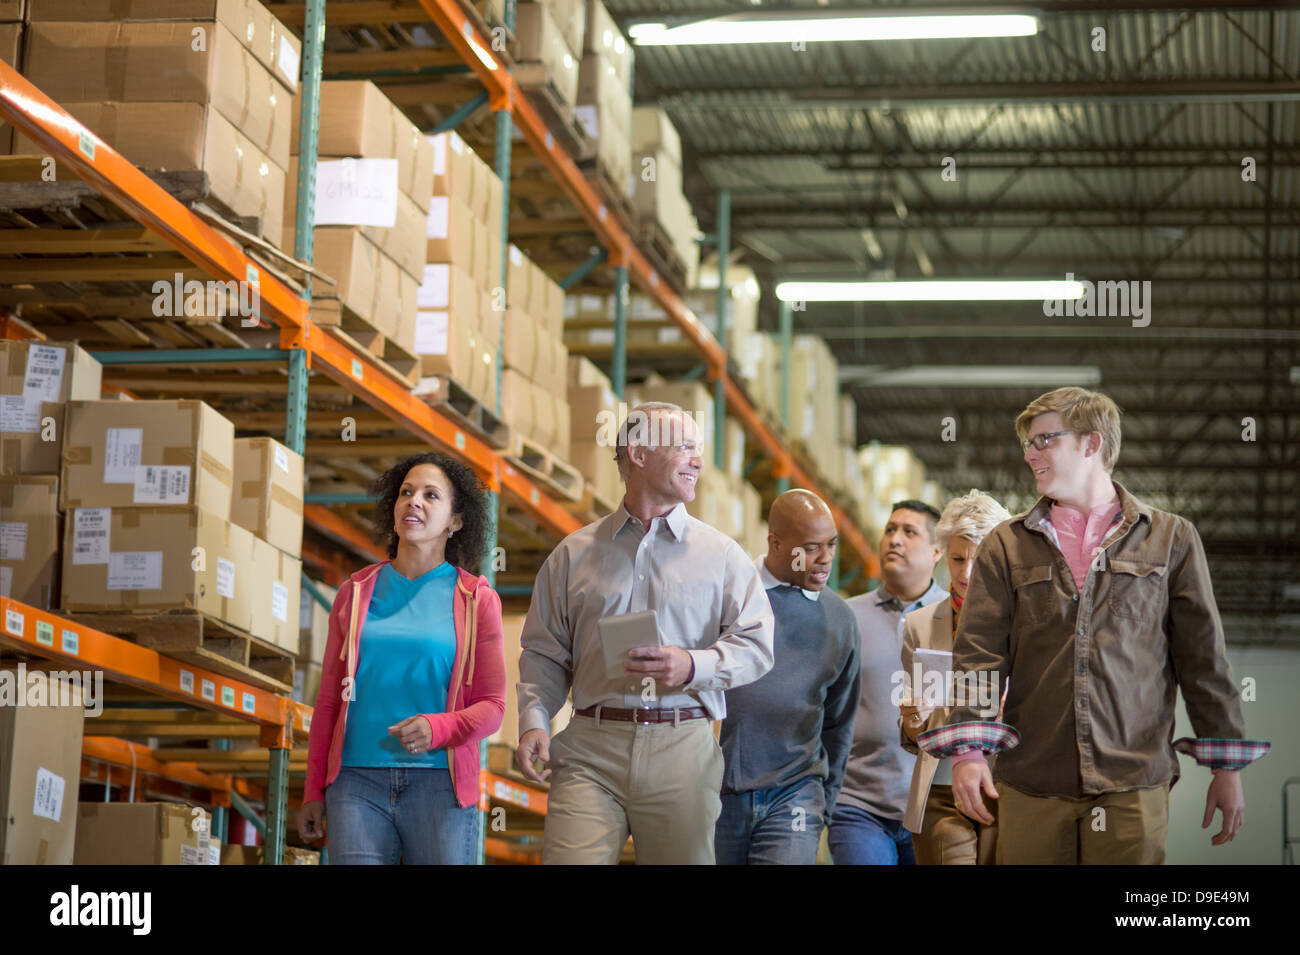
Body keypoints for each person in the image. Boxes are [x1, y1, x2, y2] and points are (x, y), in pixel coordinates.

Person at [924, 387, 1269, 864]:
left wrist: (1226, 768)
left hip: (1133, 783)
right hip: (1032, 782)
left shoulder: (1171, 539)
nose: (1029, 453)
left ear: (1091, 444)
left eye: (1044, 440)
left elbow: (1203, 659)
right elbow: (980, 654)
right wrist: (968, 752)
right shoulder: (1007, 545)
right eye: (1027, 442)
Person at [515, 401, 775, 864]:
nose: (698, 460)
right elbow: (544, 653)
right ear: (637, 453)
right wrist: (534, 720)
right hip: (590, 748)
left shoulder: (722, 556)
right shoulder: (572, 555)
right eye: (686, 447)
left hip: (683, 746)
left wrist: (692, 664)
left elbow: (757, 645)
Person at [298, 452, 506, 864]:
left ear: (456, 521)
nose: (414, 501)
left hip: (440, 786)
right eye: (406, 492)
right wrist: (313, 790)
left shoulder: (476, 600)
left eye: (431, 495)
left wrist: (440, 728)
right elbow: (328, 703)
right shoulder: (354, 593)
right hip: (355, 784)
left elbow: (494, 708)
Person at [714, 490, 861, 865]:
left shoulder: (840, 620)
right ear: (775, 543)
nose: (826, 559)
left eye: (831, 544)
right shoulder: (729, 595)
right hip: (716, 793)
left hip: (795, 795)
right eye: (811, 548)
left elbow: (839, 722)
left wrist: (821, 805)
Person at [830, 500, 947, 865]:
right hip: (857, 806)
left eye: (909, 532)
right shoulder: (846, 615)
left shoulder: (956, 618)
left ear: (937, 551)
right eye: (890, 530)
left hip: (934, 807)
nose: (894, 540)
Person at [899, 489, 1010, 865]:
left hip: (1005, 788)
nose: (966, 573)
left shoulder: (1024, 624)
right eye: (958, 558)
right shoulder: (919, 626)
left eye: (979, 560)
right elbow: (915, 734)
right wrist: (912, 717)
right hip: (939, 793)